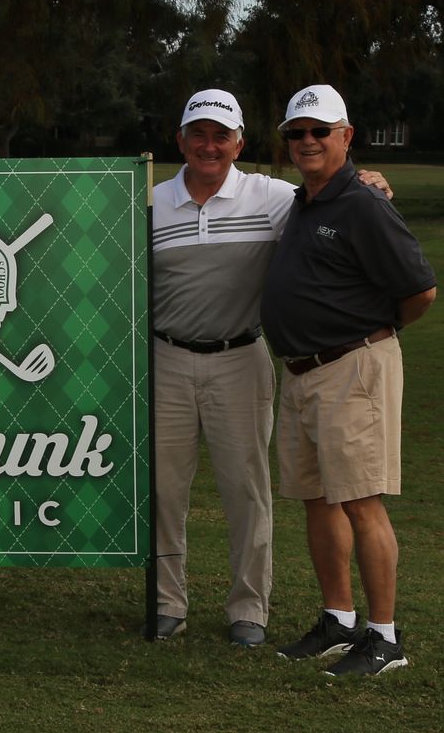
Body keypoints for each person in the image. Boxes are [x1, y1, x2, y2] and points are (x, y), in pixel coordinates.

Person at [150, 89, 392, 647]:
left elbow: (336, 194)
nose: (209, 147)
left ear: (239, 143)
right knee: (163, 492)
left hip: (240, 359)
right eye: (198, 135)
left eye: (221, 136)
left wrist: (370, 180)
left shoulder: (274, 197)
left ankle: (248, 609)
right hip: (165, 358)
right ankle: (167, 601)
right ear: (180, 140)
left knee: (246, 490)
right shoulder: (151, 201)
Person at [261, 83, 436, 677]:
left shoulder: (362, 203)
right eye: (296, 133)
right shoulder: (303, 201)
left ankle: (385, 638)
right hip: (303, 371)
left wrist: (371, 334)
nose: (307, 142)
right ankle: (339, 620)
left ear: (346, 136)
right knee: (317, 497)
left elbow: (419, 292)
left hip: (353, 364)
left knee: (362, 500)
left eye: (319, 131)